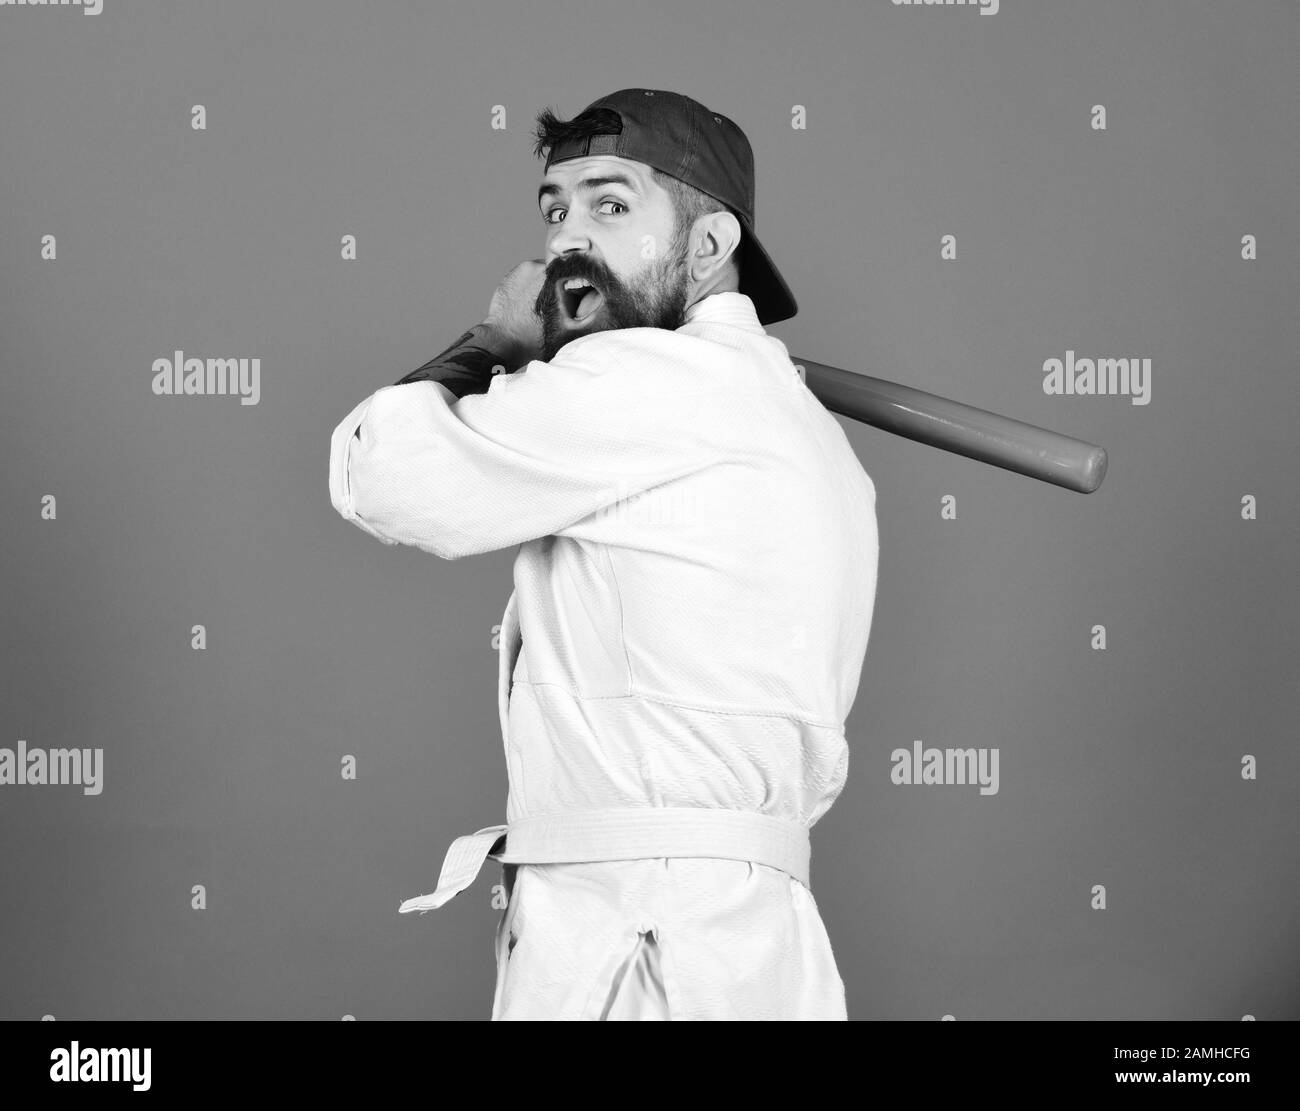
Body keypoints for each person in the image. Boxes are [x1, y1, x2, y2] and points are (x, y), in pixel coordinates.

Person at [328, 88, 879, 1020]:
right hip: (759, 944)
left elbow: (377, 470)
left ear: (709, 248)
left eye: (610, 204)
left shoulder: (646, 380)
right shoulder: (815, 441)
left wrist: (491, 341)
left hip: (642, 944)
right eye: (555, 208)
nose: (565, 239)